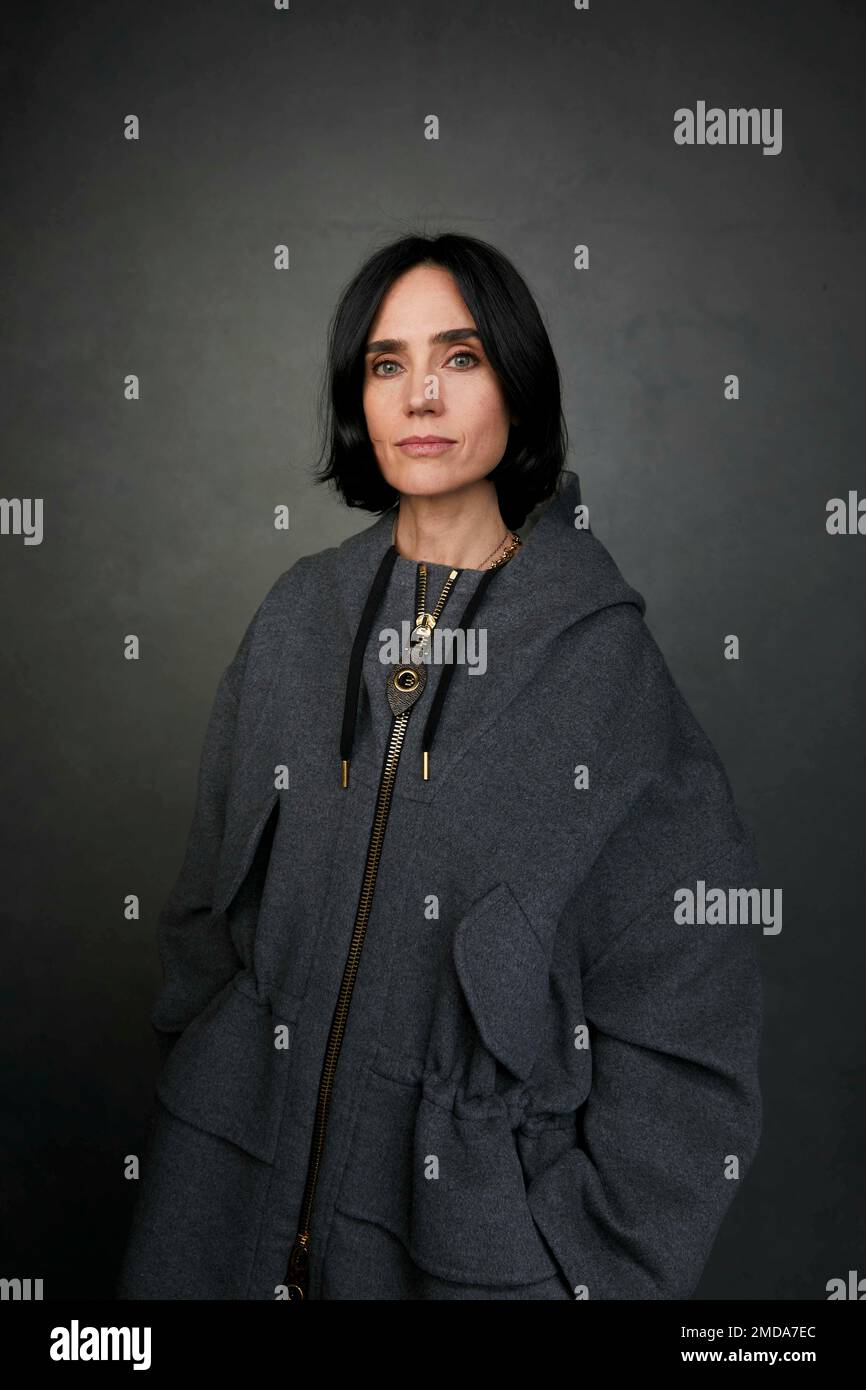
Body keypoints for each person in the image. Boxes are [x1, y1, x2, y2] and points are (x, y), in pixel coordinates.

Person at [116, 231, 762, 1302]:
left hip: (458, 1249)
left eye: (459, 357)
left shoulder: (605, 676)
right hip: (219, 1207)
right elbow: (202, 917)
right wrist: (214, 1085)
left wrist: (581, 1259)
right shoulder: (294, 618)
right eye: (385, 363)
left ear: (516, 384)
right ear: (356, 401)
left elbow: (687, 1004)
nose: (420, 393)